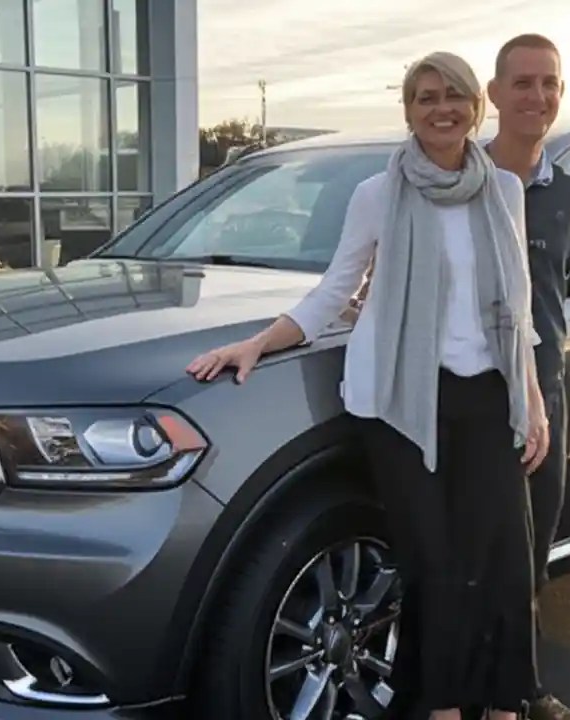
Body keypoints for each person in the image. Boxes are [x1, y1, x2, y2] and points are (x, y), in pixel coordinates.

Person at [186, 51, 550, 720]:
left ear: (476, 107)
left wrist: (529, 396)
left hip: (486, 394)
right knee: (434, 566)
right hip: (400, 401)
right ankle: (440, 709)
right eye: (425, 97)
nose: (441, 108)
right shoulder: (378, 196)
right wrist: (256, 344)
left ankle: (503, 706)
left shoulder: (504, 191)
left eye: (454, 96)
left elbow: (516, 307)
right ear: (409, 110)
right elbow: (336, 292)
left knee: (503, 565)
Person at [485, 34, 570, 720]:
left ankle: (518, 696)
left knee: (531, 558)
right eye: (522, 83)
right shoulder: (463, 182)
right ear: (494, 95)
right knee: (475, 559)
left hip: (543, 397)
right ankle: (468, 697)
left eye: (549, 83)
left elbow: (553, 294)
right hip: (468, 398)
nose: (538, 96)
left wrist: (540, 391)